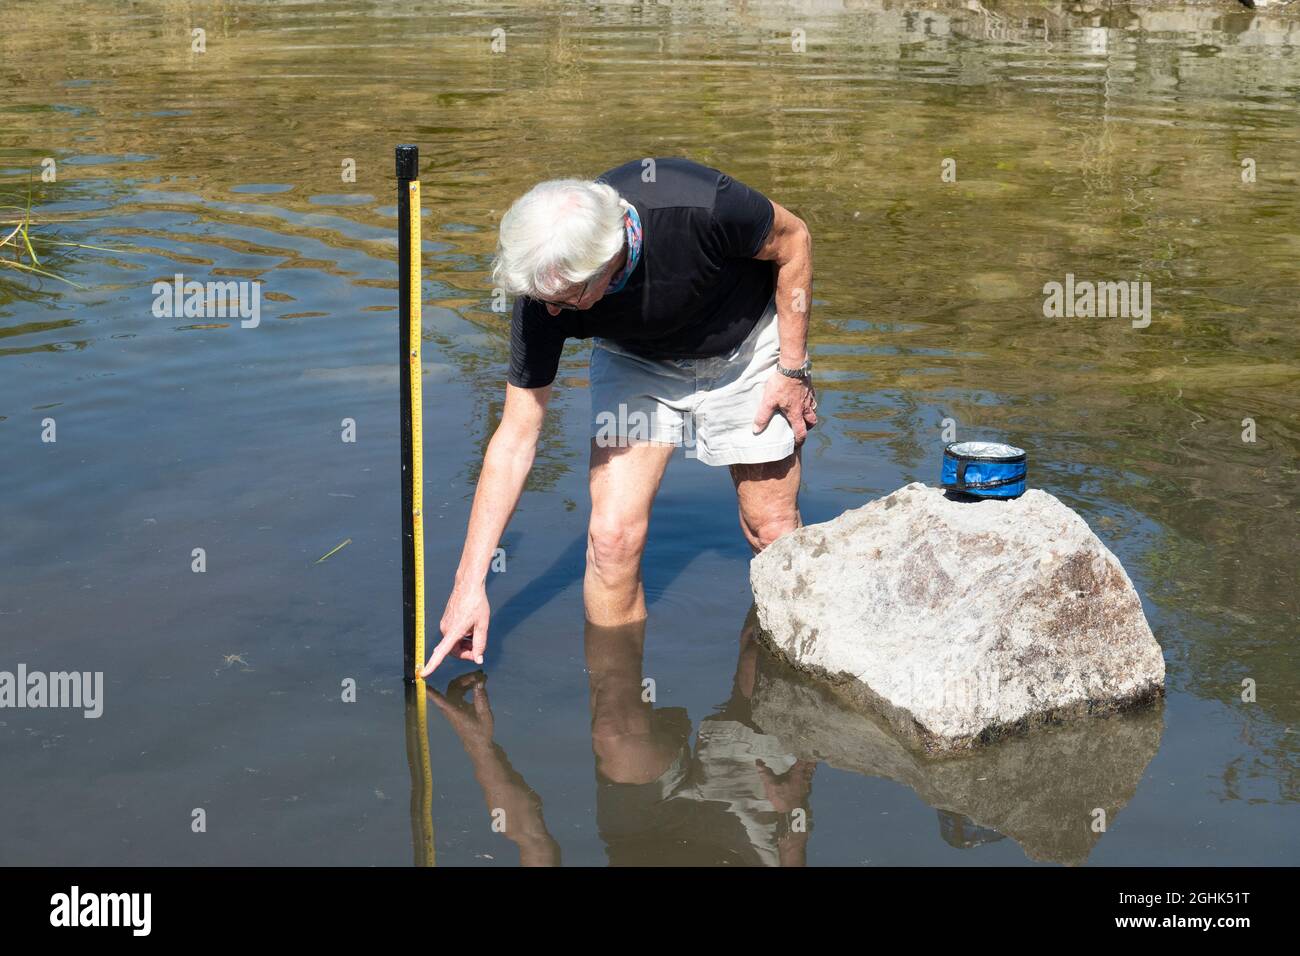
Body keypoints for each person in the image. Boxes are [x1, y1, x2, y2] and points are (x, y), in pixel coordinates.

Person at [420, 157, 815, 677]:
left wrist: (792, 366)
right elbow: (516, 438)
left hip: (747, 345)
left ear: (611, 257)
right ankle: (618, 705)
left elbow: (794, 240)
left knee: (771, 529)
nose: (553, 313)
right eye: (545, 300)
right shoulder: (546, 296)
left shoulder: (700, 205)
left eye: (567, 299)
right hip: (636, 361)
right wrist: (468, 587)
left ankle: (787, 695)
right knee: (611, 540)